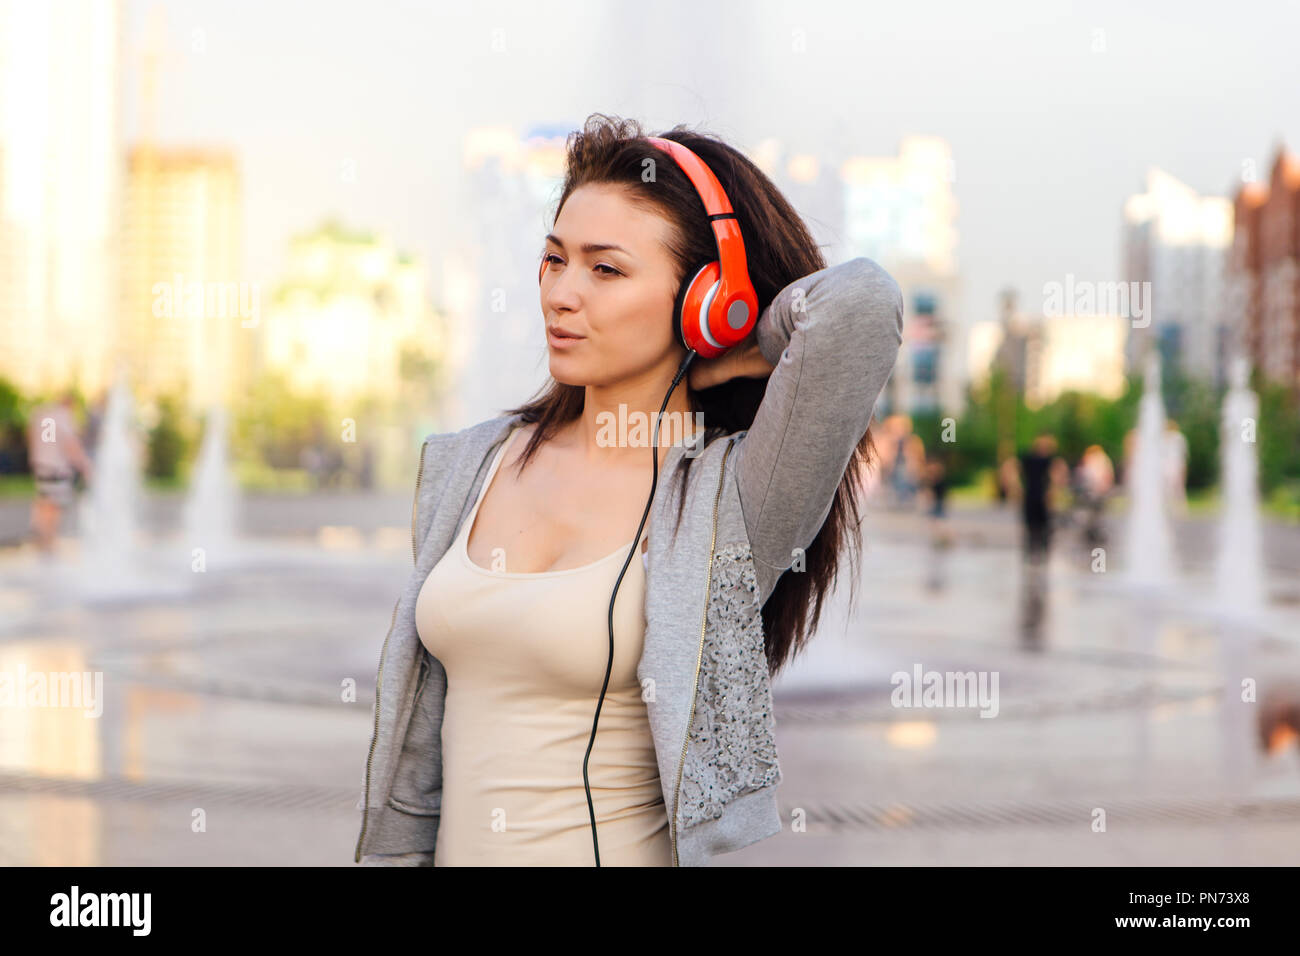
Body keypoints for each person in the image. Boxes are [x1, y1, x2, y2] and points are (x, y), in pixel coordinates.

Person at [355, 115, 904, 867]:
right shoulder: (471, 464)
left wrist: (730, 344)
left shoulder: (728, 504)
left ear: (705, 298)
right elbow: (422, 772)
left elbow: (863, 306)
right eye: (554, 259)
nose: (561, 294)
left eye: (605, 270)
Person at [25, 389, 95, 557]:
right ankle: (48, 543)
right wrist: (85, 466)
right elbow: (70, 444)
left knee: (44, 501)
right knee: (54, 506)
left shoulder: (41, 414)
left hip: (41, 465)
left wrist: (35, 456)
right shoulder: (63, 417)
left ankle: (41, 538)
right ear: (70, 404)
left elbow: (30, 435)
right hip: (57, 468)